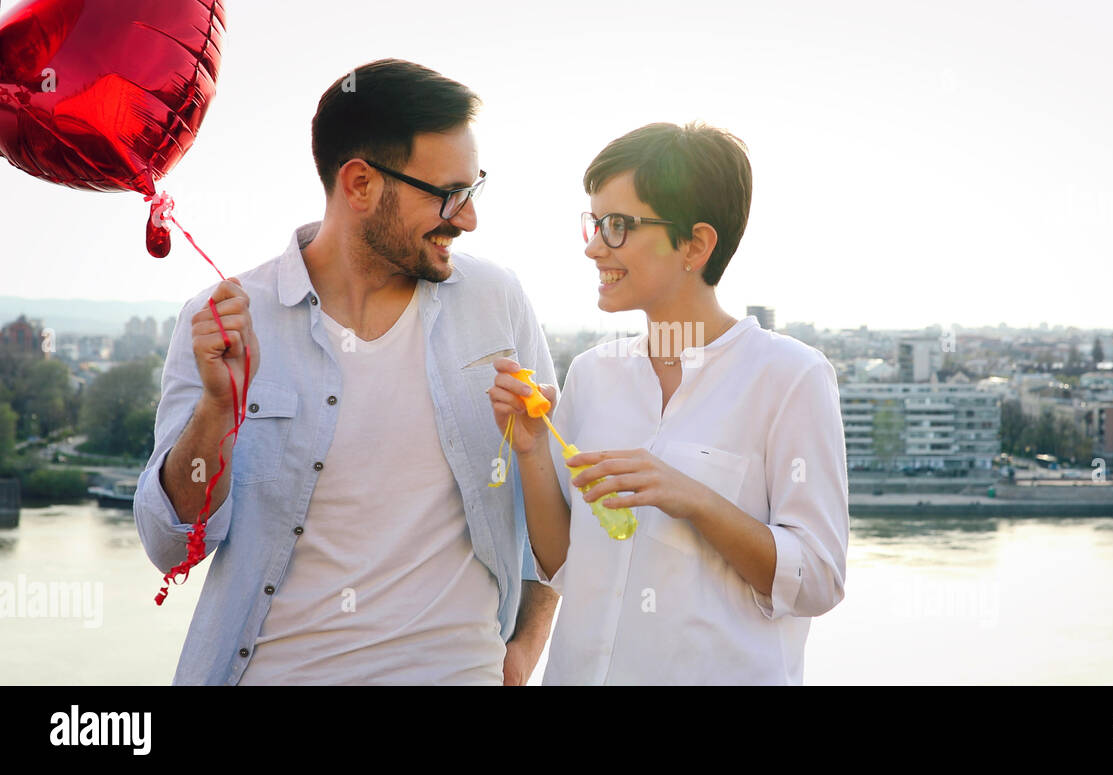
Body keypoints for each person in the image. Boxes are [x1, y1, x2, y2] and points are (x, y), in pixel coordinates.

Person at [133, 59, 558, 685]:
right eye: (448, 194)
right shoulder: (221, 320)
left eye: (475, 188)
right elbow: (169, 544)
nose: (468, 218)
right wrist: (216, 410)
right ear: (359, 183)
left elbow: (549, 504)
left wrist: (525, 648)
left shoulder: (497, 301)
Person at [488, 122, 848, 684]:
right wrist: (531, 450)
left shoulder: (790, 377)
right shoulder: (592, 374)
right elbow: (564, 565)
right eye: (594, 222)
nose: (592, 246)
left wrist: (695, 498)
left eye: (617, 226)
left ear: (696, 244)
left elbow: (818, 580)